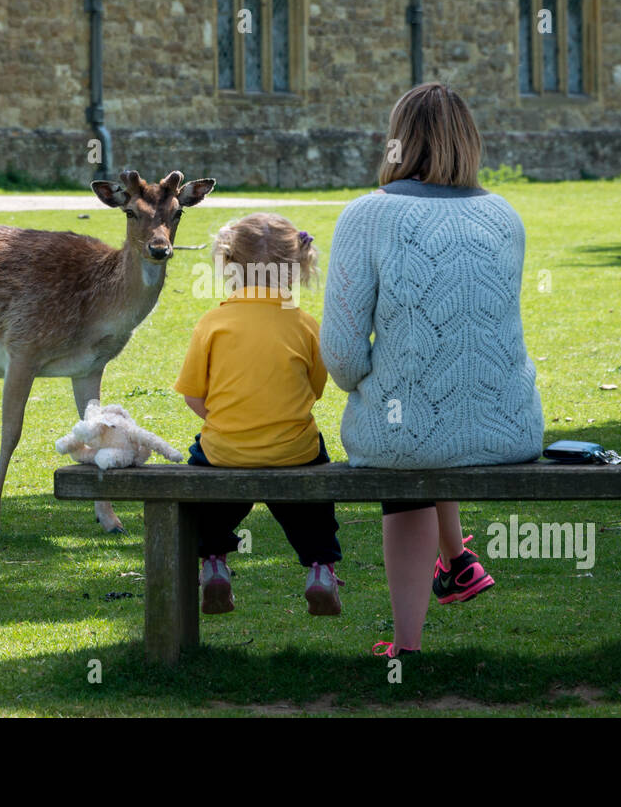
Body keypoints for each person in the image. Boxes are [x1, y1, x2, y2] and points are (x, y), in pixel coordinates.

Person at [320, 83, 544, 657]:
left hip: (410, 434)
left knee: (407, 427)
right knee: (426, 410)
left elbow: (341, 356)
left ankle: (408, 646)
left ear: (398, 141)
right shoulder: (504, 214)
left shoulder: (367, 216)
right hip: (509, 428)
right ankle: (457, 562)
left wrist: (372, 383)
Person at [174, 212, 344, 616]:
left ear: (229, 265)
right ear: (298, 267)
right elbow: (314, 392)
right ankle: (321, 568)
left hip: (225, 449)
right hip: (294, 450)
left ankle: (213, 563)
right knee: (313, 502)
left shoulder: (212, 323)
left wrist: (229, 420)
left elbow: (194, 396)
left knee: (206, 489)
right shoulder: (306, 326)